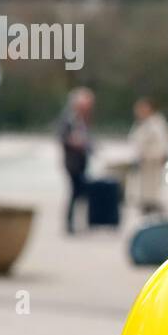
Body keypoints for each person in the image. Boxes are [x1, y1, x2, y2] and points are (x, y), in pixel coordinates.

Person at [127, 97, 168, 215]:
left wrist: (160, 155)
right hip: (144, 163)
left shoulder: (157, 123)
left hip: (153, 162)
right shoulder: (142, 123)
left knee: (153, 190)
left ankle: (153, 207)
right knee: (144, 190)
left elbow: (163, 143)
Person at [58, 88, 95, 234]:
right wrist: (73, 142)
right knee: (75, 192)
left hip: (82, 160)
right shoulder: (69, 118)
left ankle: (78, 222)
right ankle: (69, 223)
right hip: (72, 161)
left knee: (79, 192)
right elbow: (61, 137)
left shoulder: (83, 119)